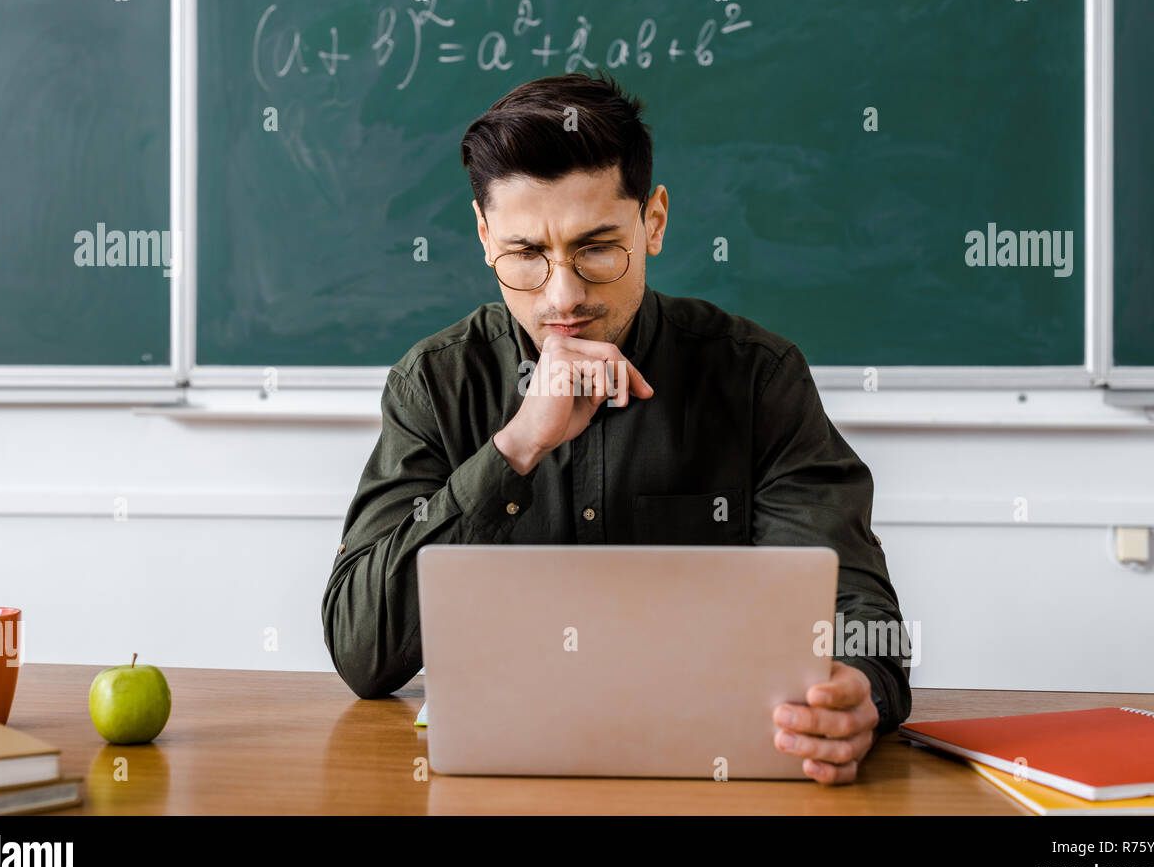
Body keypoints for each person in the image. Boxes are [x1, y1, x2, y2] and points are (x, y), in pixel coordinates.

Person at [323, 70, 912, 784]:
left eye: (597, 247)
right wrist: (515, 447)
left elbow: (857, 612)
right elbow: (363, 652)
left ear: (653, 221)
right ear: (484, 236)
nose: (564, 296)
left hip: (718, 780)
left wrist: (858, 689)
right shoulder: (437, 384)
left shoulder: (757, 379)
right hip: (502, 784)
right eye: (526, 255)